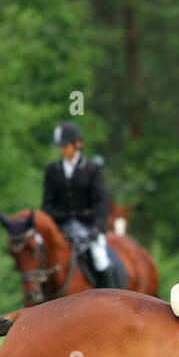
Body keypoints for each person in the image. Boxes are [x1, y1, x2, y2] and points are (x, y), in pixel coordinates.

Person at [42, 121, 112, 286]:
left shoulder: (92, 169)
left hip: (88, 227)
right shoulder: (53, 170)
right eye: (60, 147)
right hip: (62, 227)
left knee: (100, 258)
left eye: (65, 146)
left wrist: (97, 227)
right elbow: (48, 203)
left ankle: (109, 297)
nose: (61, 150)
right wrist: (49, 226)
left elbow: (101, 201)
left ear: (77, 144)